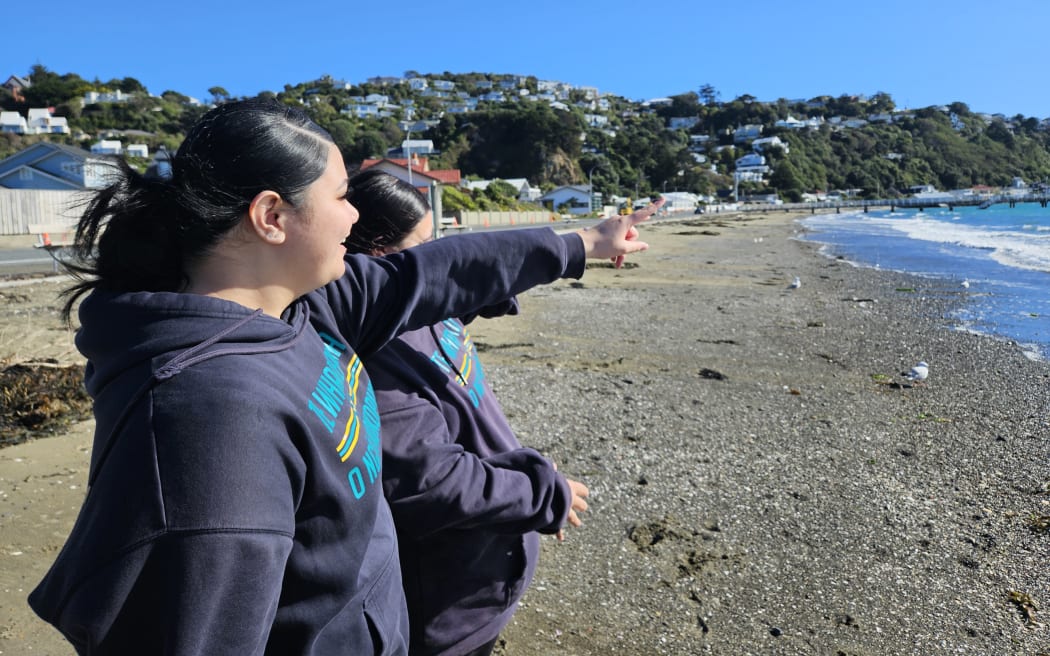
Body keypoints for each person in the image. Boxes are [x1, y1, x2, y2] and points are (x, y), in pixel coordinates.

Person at [26, 97, 655, 656]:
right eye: (340, 197)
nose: (354, 217)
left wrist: (581, 243)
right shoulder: (211, 420)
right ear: (271, 216)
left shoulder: (299, 307)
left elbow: (428, 273)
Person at [345, 170, 591, 656]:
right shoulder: (373, 360)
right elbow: (434, 481)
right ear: (379, 259)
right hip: (451, 610)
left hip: (493, 570)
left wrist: (504, 284)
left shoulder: (427, 310)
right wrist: (543, 493)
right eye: (424, 247)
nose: (439, 256)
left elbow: (462, 282)